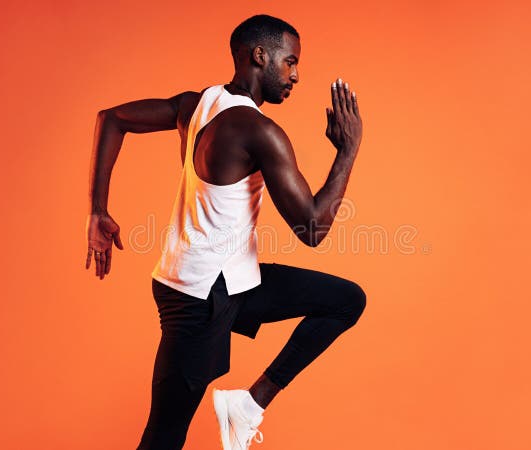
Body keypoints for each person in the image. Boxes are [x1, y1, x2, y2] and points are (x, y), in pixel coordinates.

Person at [85, 14, 365, 450]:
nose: (296, 74)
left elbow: (112, 119)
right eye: (289, 62)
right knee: (164, 436)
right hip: (198, 297)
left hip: (234, 280)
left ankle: (248, 406)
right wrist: (347, 152)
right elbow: (313, 228)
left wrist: (98, 211)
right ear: (260, 56)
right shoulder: (259, 131)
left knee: (346, 300)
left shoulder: (197, 104)